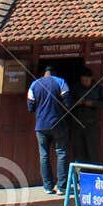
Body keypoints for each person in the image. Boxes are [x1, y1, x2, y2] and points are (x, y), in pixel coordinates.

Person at [27, 64, 71, 195]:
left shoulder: (34, 85)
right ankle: (61, 187)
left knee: (44, 155)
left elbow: (30, 107)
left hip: (41, 126)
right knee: (61, 153)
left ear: (43, 73)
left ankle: (47, 186)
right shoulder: (61, 82)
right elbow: (68, 102)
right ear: (54, 73)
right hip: (58, 124)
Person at [66, 68, 103, 168]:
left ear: (91, 78)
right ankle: (80, 175)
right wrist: (77, 103)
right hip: (77, 124)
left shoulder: (98, 88)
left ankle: (92, 175)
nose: (85, 82)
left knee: (91, 151)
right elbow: (67, 104)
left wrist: (92, 103)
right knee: (79, 151)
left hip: (91, 124)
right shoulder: (75, 88)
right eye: (83, 80)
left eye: (87, 80)